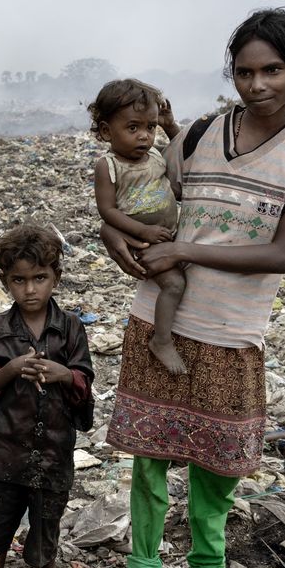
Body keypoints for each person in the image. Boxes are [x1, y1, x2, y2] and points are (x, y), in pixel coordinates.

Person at [99, 8, 285, 568]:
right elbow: (146, 199)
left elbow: (281, 254)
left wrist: (183, 251)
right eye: (244, 72)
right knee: (150, 464)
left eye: (273, 71)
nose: (258, 85)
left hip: (233, 331)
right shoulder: (200, 133)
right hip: (160, 319)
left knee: (218, 466)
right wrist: (112, 234)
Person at [0, 225, 94, 568]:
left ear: (56, 277)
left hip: (54, 448)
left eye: (39, 278)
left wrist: (63, 374)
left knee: (48, 522)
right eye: (19, 280)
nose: (30, 290)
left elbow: (84, 381)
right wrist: (10, 369)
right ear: (5, 282)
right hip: (6, 448)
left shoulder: (71, 328)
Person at [89, 78, 188, 374]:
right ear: (107, 131)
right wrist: (142, 232)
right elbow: (106, 210)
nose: (144, 136)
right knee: (175, 284)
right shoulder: (108, 166)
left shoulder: (155, 155)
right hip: (143, 242)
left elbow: (184, 166)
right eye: (133, 128)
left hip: (168, 235)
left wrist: (171, 128)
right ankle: (161, 341)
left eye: (150, 127)